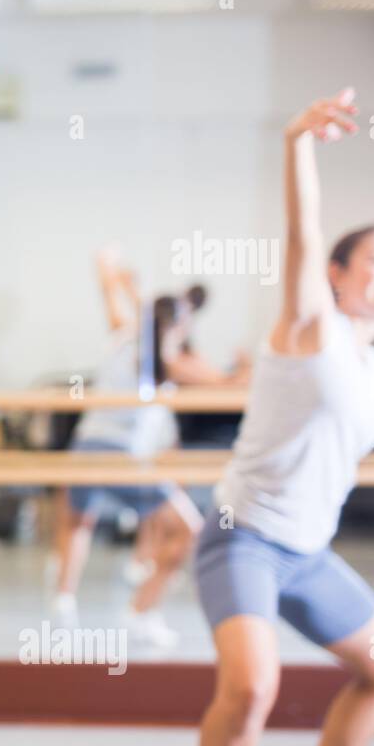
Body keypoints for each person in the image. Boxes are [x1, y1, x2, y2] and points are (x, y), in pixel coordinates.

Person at [190, 88, 374, 746]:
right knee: (252, 687)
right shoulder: (309, 326)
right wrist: (297, 142)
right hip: (243, 538)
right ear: (337, 273)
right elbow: (303, 231)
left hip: (308, 553)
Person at [49, 249, 245, 645]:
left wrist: (110, 274)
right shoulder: (166, 359)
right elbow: (225, 384)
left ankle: (62, 604)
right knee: (187, 531)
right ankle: (141, 611)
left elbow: (110, 297)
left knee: (78, 524)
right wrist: (246, 367)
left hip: (85, 447)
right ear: (178, 326)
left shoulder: (124, 336)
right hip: (120, 456)